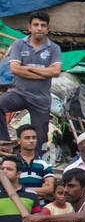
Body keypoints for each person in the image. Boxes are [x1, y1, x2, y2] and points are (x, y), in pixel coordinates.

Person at [0, 11, 62, 151]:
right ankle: (3, 142)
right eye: (36, 25)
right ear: (29, 27)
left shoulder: (53, 48)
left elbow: (55, 71)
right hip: (19, 94)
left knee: (40, 139)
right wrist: (43, 73)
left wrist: (26, 69)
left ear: (47, 28)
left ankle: (39, 163)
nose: (39, 28)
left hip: (40, 99)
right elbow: (14, 69)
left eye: (42, 25)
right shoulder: (19, 45)